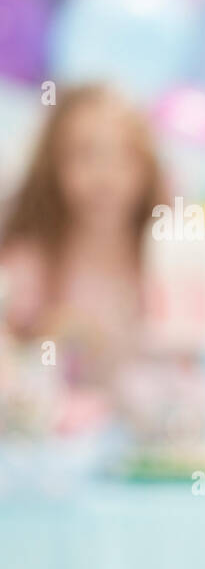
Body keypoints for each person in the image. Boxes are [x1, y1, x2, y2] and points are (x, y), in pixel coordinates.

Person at [0, 83, 165, 397]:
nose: (105, 175)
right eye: (84, 154)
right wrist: (45, 340)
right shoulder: (29, 266)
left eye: (124, 155)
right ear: (53, 165)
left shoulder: (167, 260)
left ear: (147, 166)